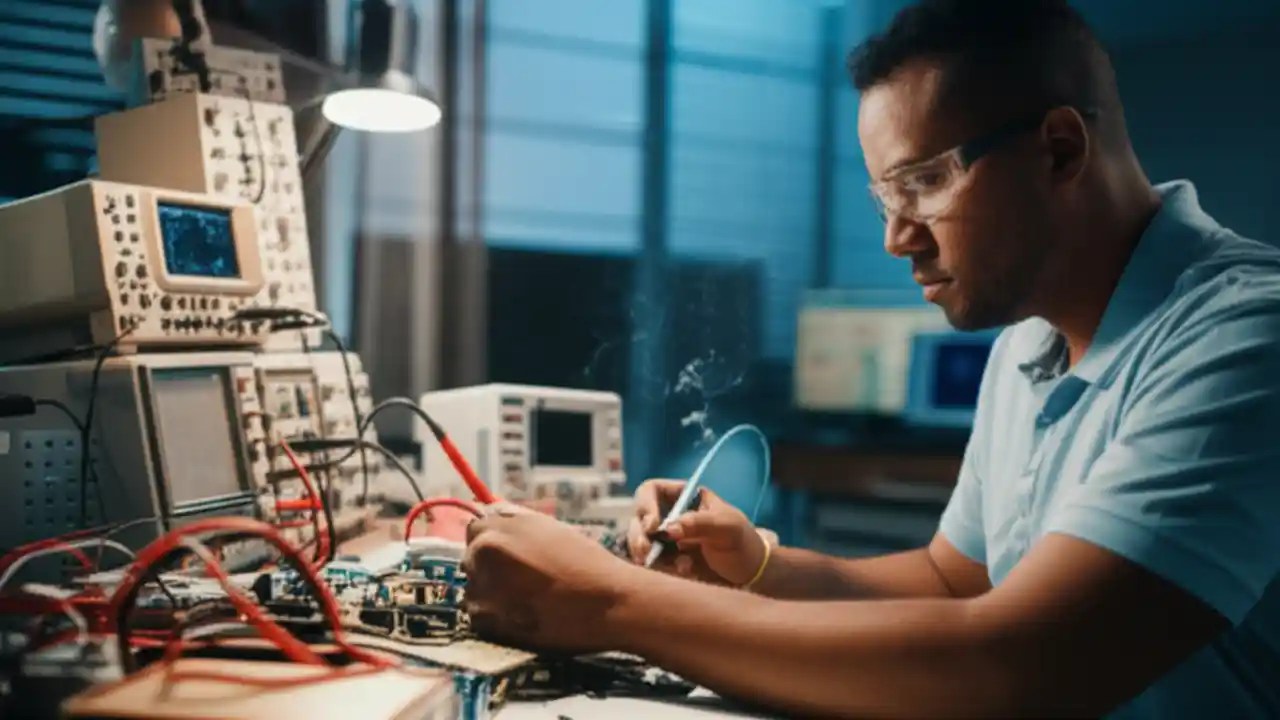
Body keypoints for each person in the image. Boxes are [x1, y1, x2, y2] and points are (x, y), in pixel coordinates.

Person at [462, 0, 1280, 716]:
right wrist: (757, 563)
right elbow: (952, 582)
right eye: (885, 199)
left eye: (923, 184)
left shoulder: (1247, 340)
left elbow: (1019, 664)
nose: (896, 239)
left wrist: (605, 599)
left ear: (1061, 149)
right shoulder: (1029, 340)